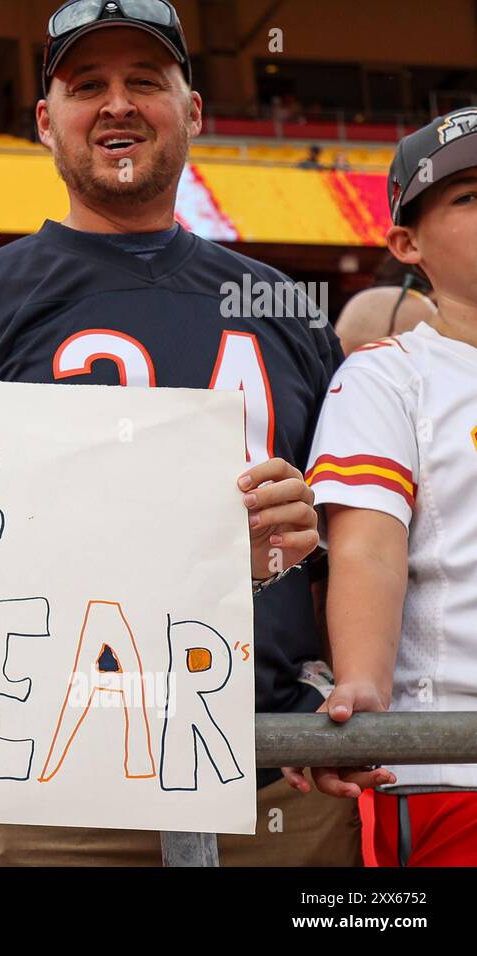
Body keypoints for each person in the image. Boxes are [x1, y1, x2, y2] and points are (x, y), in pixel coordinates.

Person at [0, 0, 345, 865]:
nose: (119, 104)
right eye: (88, 85)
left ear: (193, 111)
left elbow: (348, 533)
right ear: (47, 124)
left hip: (272, 778)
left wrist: (307, 546)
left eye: (146, 83)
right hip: (55, 783)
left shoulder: (284, 305)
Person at [283, 107, 477, 866]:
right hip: (451, 768)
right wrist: (362, 682)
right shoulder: (388, 374)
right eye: (468, 196)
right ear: (407, 244)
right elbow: (367, 548)